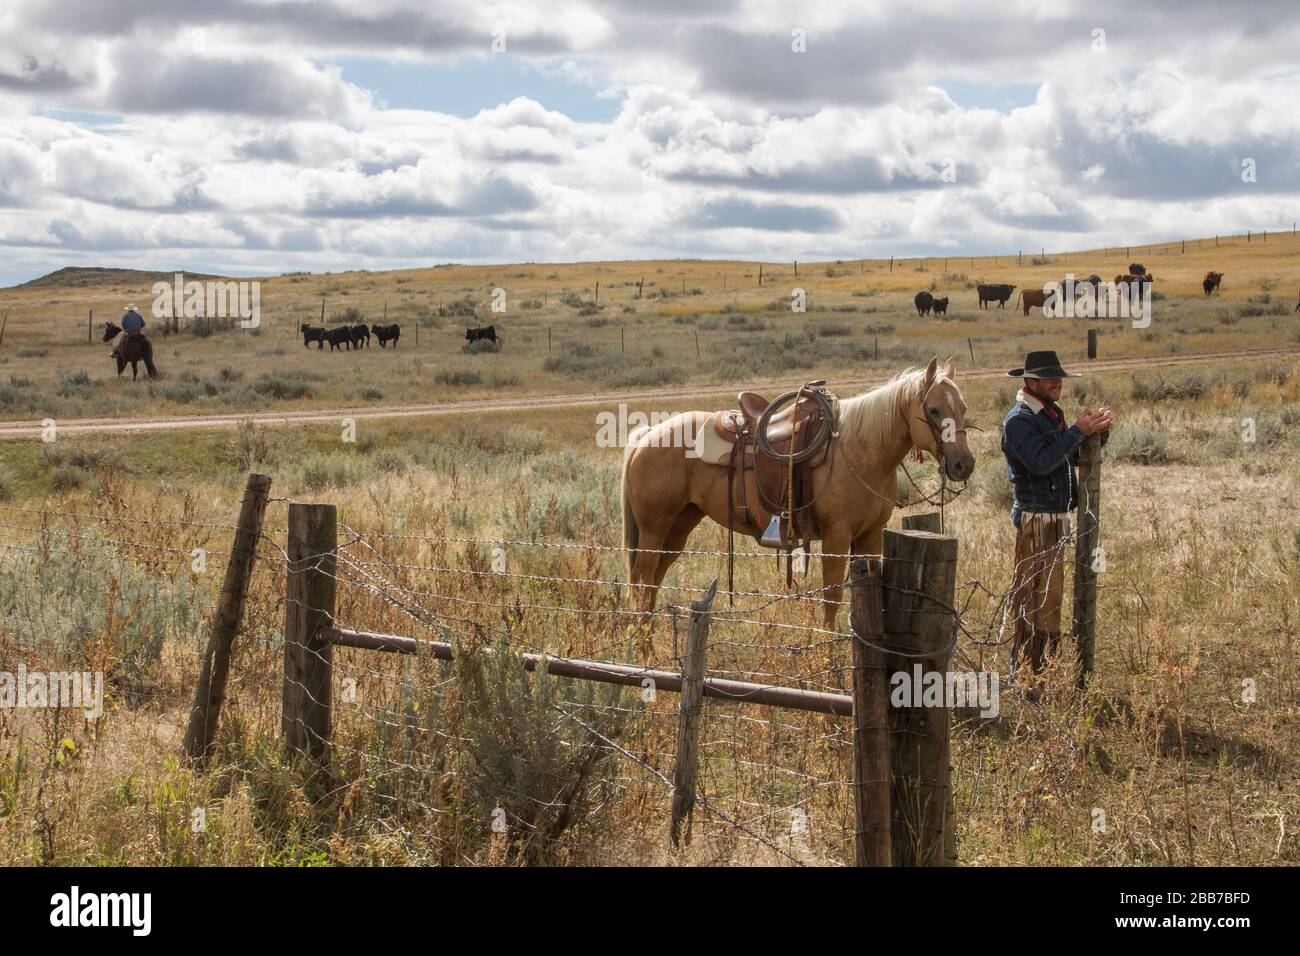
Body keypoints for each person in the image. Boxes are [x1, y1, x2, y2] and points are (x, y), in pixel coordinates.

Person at [1001, 349, 1112, 685]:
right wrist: (1077, 431)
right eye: (1050, 378)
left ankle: (1040, 673)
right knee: (1034, 598)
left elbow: (1066, 457)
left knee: (1047, 598)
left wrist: (1093, 433)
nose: (1056, 383)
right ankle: (1026, 675)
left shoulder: (1049, 414)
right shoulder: (1019, 420)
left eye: (1058, 378)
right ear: (1030, 381)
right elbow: (1041, 461)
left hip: (1052, 518)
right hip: (1037, 519)